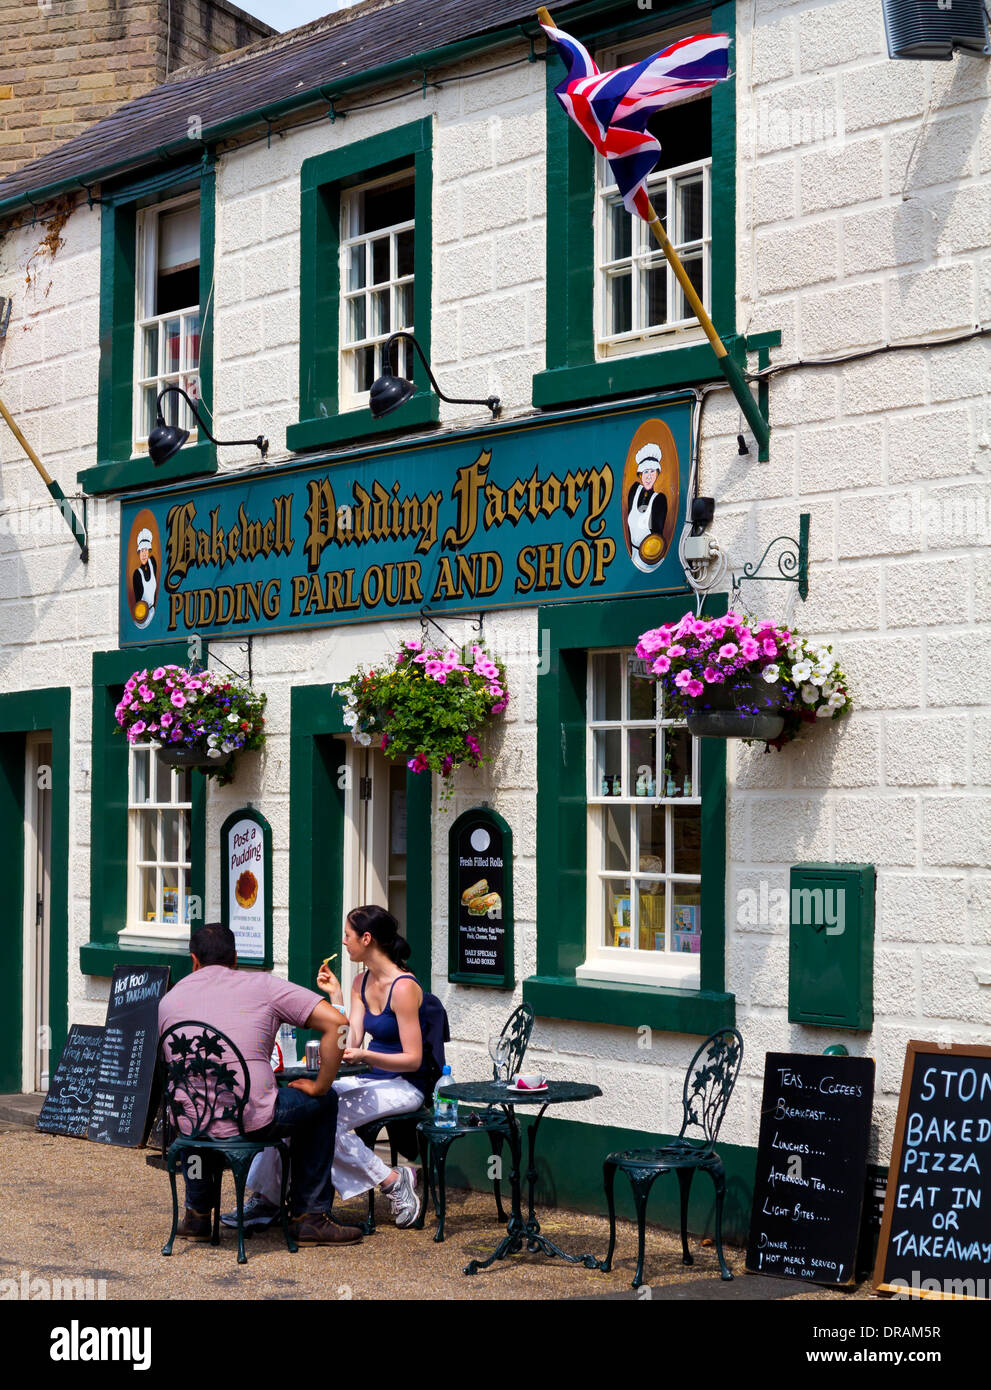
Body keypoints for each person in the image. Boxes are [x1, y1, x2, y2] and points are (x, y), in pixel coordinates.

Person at [157, 920, 361, 1247]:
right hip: (252, 1118)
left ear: (194, 960)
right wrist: (321, 1084)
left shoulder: (168, 999)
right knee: (323, 1103)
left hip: (193, 1120)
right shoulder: (263, 986)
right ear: (236, 958)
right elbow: (338, 1023)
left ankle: (196, 1214)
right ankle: (309, 1217)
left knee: (194, 1110)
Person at [226, 905, 426, 1230]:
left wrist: (366, 1057)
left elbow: (413, 1059)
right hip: (370, 1077)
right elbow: (351, 1039)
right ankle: (267, 1198)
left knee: (324, 1121)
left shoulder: (404, 987)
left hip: (404, 1085)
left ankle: (393, 1181)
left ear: (367, 938)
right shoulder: (361, 981)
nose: (344, 942)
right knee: (305, 1110)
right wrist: (335, 998)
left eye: (347, 935)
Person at [626, 442, 668, 573]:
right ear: (640, 474)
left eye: (652, 472)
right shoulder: (634, 491)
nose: (648, 476)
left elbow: (657, 535)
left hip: (650, 561)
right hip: (633, 556)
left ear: (657, 474)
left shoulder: (659, 500)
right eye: (645, 472)